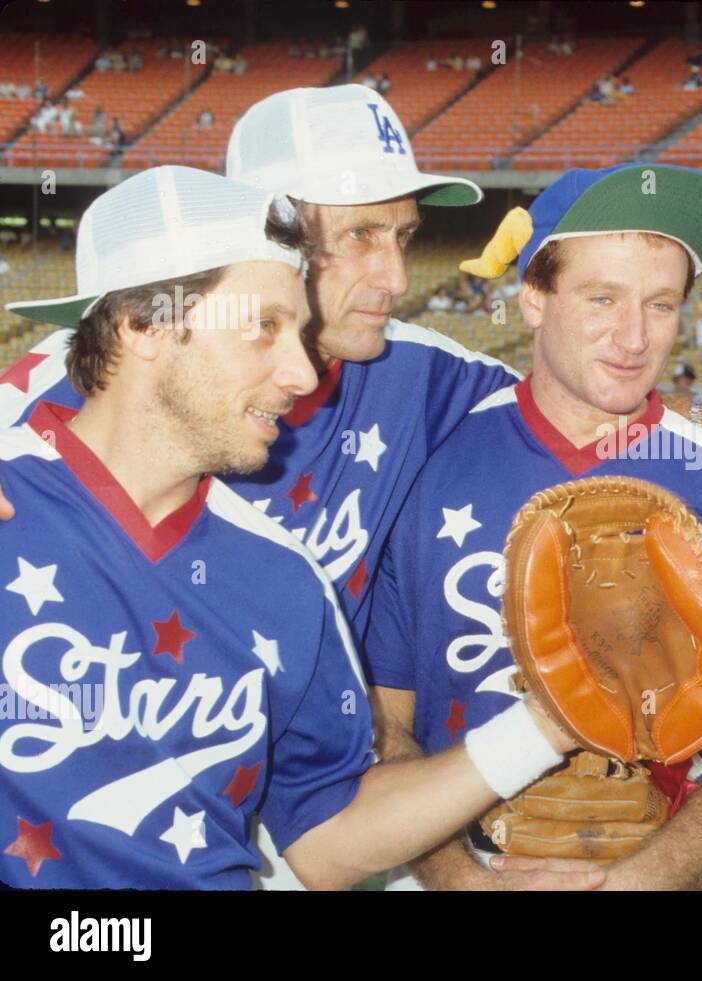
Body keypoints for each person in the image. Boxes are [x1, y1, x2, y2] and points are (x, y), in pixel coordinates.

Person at [0, 87, 702, 884]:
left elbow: (586, 383)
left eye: (403, 235)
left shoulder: (417, 373)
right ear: (269, 227)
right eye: (359, 235)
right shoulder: (65, 385)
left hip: (322, 799)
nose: (393, 274)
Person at [0, 166, 581, 889]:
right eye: (263, 329)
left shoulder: (285, 574)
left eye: (298, 332)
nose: (304, 374)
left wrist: (549, 727)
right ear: (144, 326)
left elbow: (322, 830)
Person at [365, 164, 702, 890]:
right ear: (534, 297)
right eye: (601, 297)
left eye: (661, 304)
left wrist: (641, 880)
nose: (633, 337)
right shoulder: (429, 459)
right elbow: (387, 720)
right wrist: (458, 878)